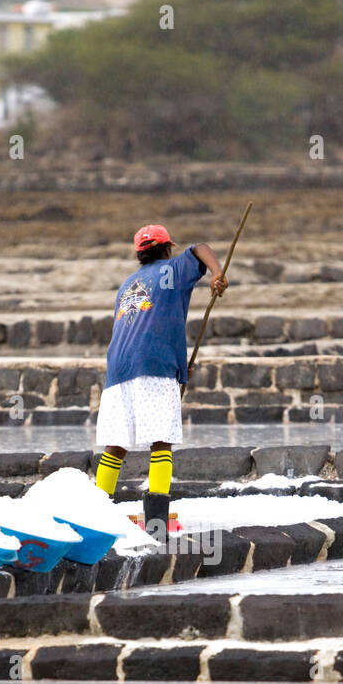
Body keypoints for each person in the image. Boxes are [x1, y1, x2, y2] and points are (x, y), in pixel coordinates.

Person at [94, 223, 228, 537]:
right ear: (167, 248)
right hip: (153, 364)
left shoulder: (129, 282)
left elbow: (147, 323)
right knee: (161, 441)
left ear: (140, 254)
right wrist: (217, 274)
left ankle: (96, 512)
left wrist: (179, 368)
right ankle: (157, 521)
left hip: (117, 368)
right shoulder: (173, 268)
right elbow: (199, 247)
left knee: (115, 445)